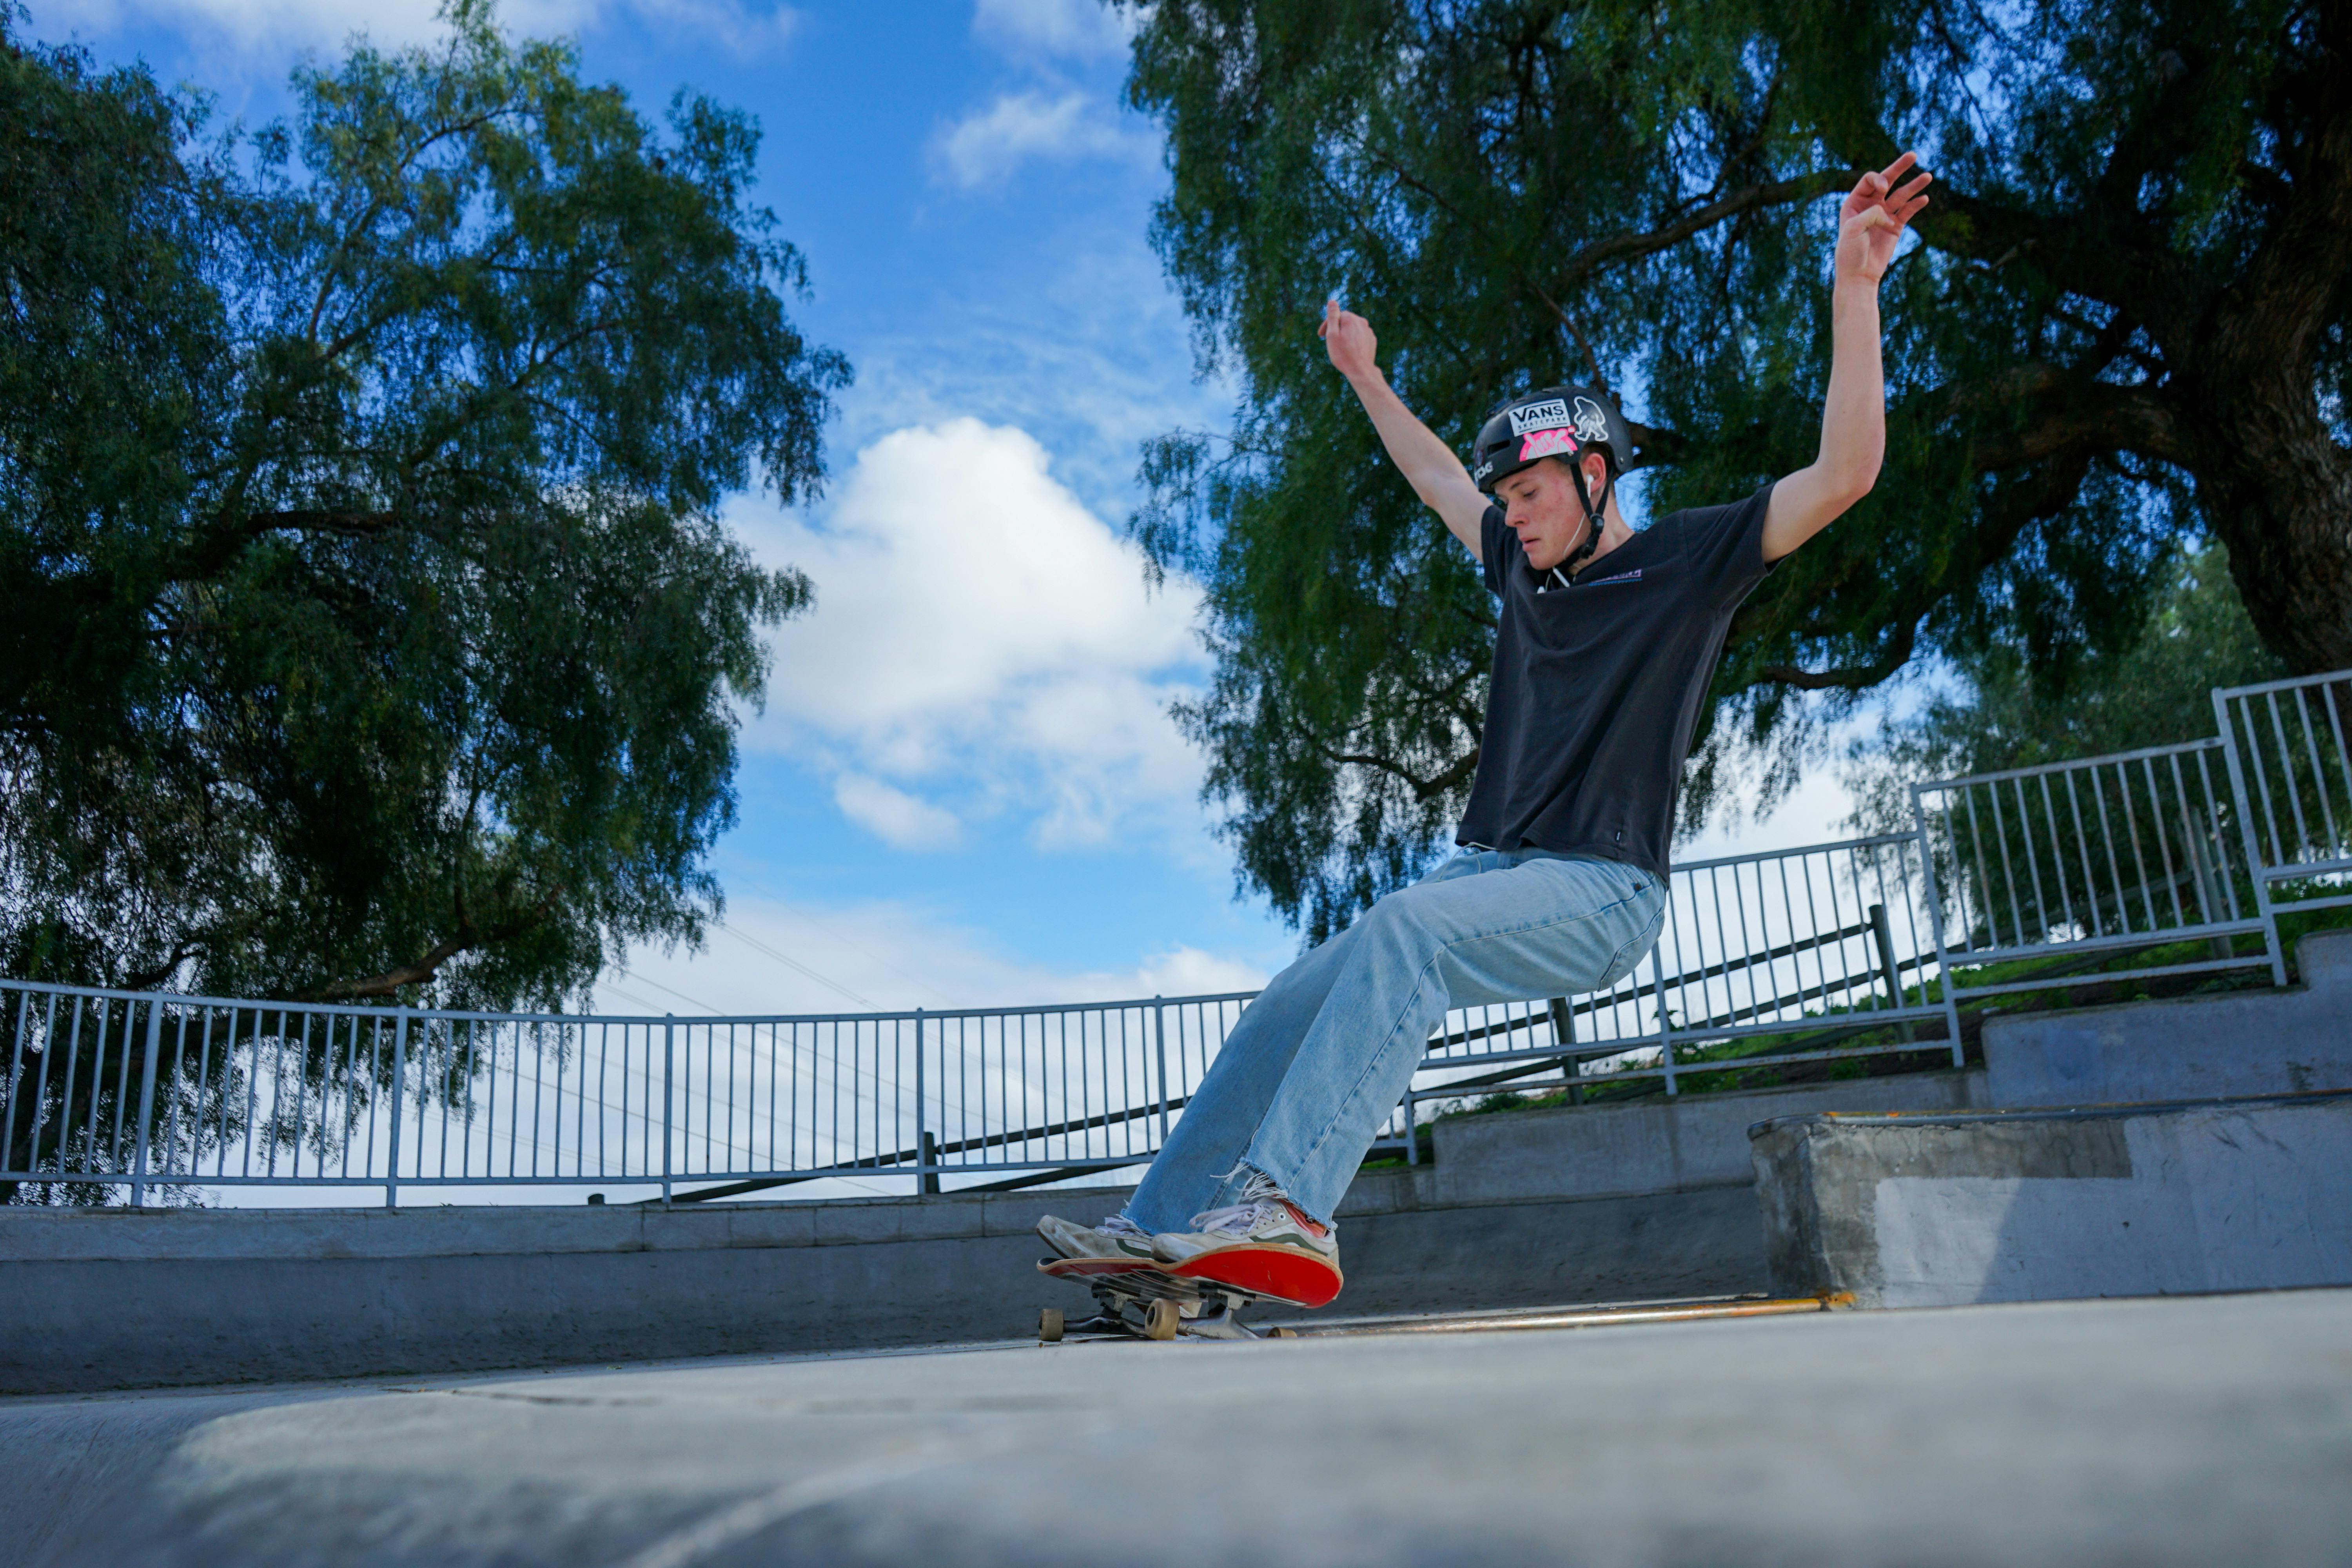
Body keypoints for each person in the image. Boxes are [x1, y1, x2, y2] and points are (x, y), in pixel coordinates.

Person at [1038, 154, 1933, 1297]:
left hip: (1603, 889)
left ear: (1596, 475)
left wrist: (1854, 287)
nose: (1512, 516)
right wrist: (1364, 374)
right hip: (1489, 872)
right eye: (1505, 501)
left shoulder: (1685, 565)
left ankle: (1292, 1209)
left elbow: (1846, 472)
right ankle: (1159, 1245)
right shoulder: (1520, 564)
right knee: (1288, 1006)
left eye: (1533, 495)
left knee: (1404, 930)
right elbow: (1430, 475)